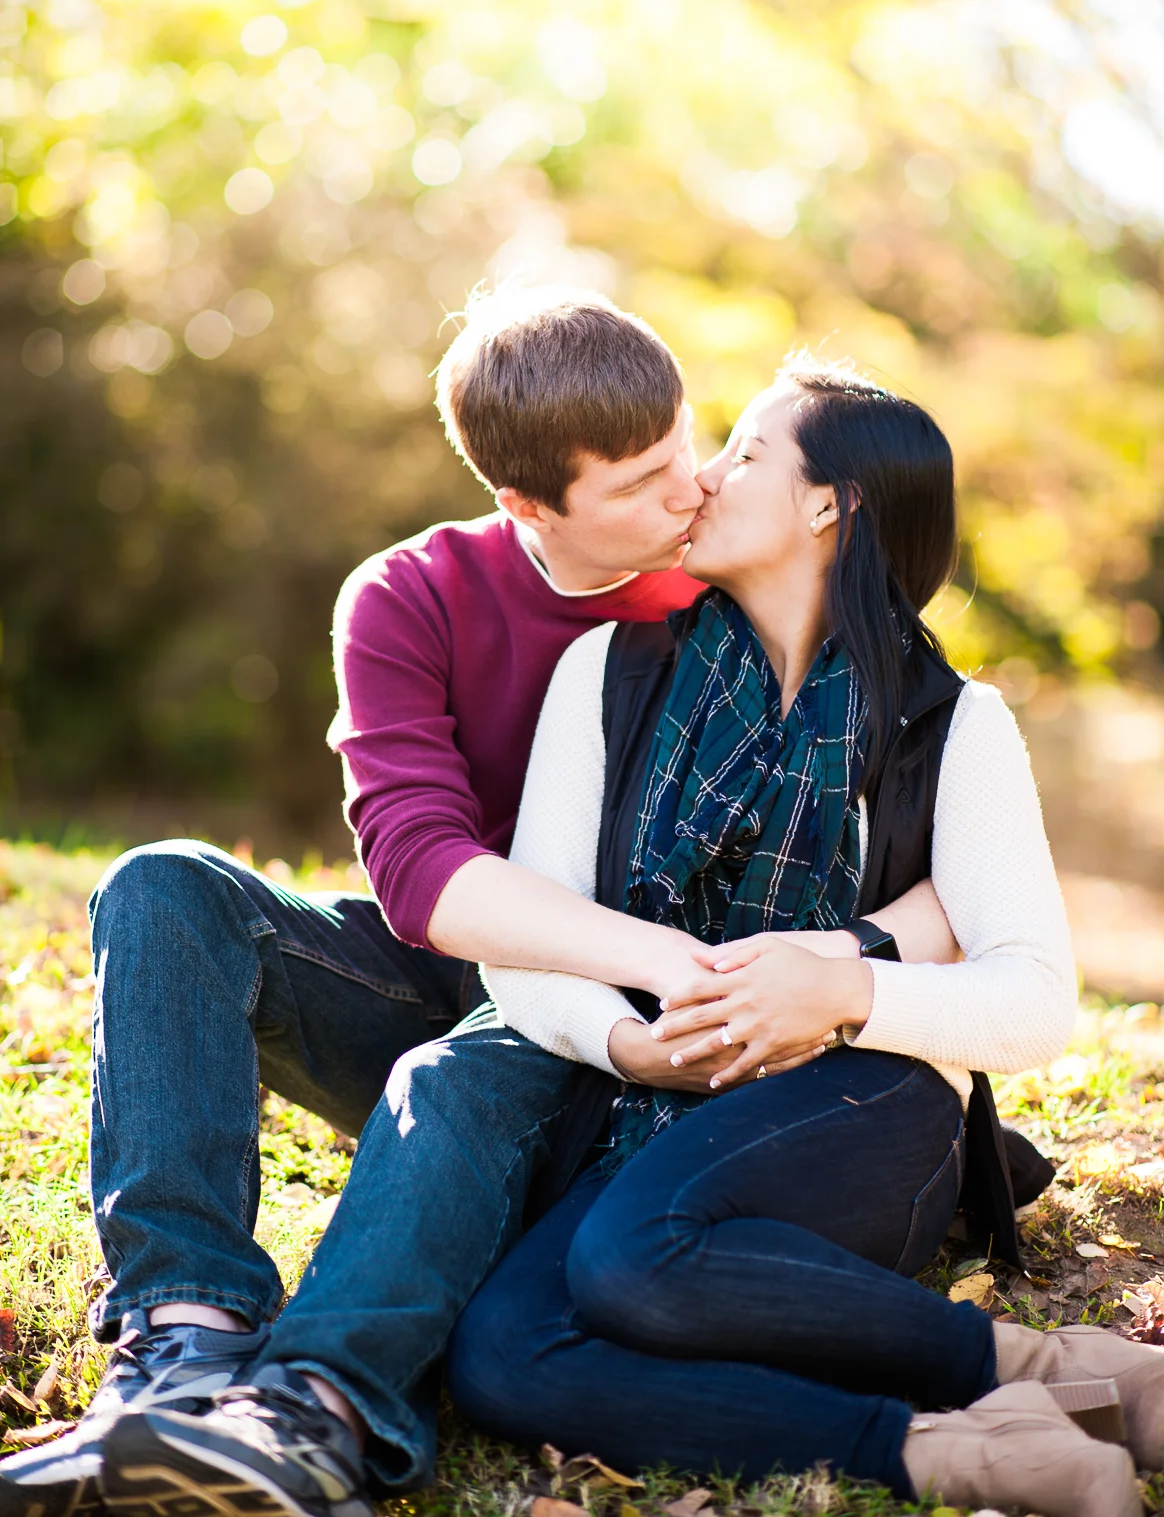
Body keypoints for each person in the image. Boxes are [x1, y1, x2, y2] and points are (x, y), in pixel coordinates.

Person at [2, 293, 953, 1517]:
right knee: (165, 883)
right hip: (481, 971)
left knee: (478, 1061)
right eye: (644, 481)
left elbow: (916, 793)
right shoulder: (409, 593)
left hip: (609, 1028)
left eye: (689, 444)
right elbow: (415, 870)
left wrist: (816, 965)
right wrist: (665, 957)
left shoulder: (729, 585)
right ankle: (185, 1344)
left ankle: (326, 1412)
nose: (693, 490)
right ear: (529, 506)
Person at [447, 360, 1163, 1517]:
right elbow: (525, 945)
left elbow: (1036, 1000)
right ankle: (971, 1444)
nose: (702, 479)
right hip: (658, 1101)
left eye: (743, 452)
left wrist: (839, 996)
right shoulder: (611, 678)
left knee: (631, 1258)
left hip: (867, 1108)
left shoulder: (951, 723)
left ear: (830, 504)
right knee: (503, 1353)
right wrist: (628, 1049)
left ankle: (1048, 1368)